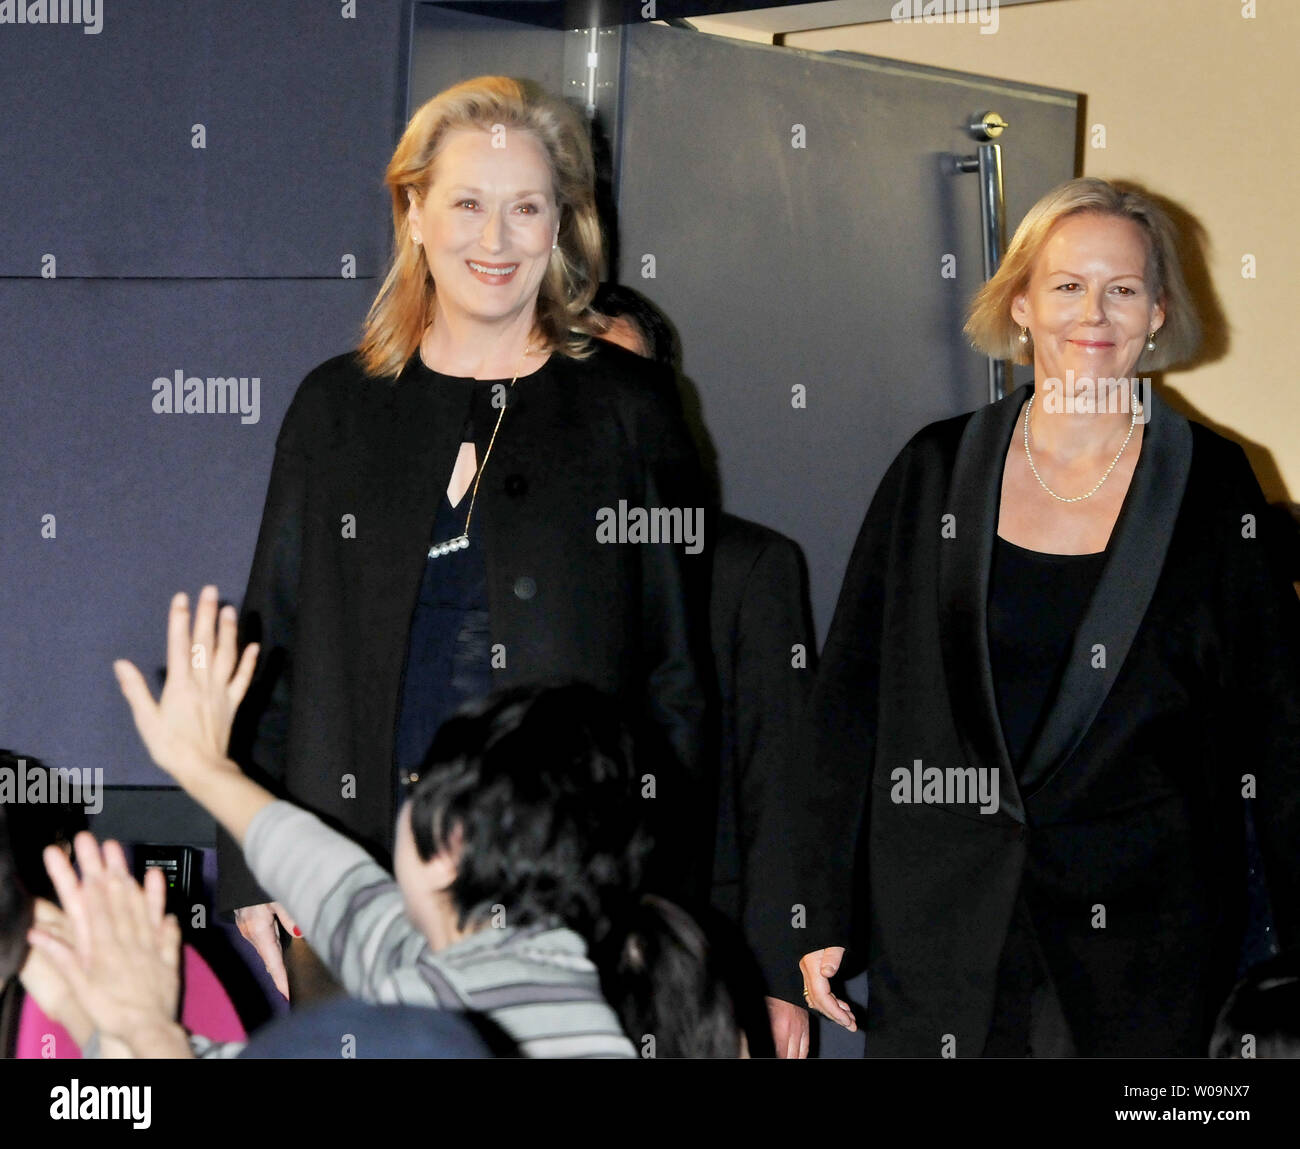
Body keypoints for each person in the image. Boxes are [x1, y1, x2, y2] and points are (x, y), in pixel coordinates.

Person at [770, 177, 1300, 1056]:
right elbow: (848, 700)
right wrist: (814, 906)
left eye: (1123, 288)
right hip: (943, 933)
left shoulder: (1215, 485)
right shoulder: (933, 470)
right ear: (1019, 302)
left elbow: (1280, 730)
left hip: (1148, 944)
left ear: (1160, 311)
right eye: (1066, 286)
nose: (1094, 312)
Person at [222, 76, 712, 1001]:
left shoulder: (629, 411)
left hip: (569, 899)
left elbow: (676, 684)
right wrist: (254, 869)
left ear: (562, 224)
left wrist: (658, 902)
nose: (496, 240)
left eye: (526, 208)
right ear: (413, 211)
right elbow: (272, 647)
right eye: (468, 205)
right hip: (348, 886)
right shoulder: (335, 408)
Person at [593, 283, 818, 1057]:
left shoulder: (749, 568)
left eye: (625, 382)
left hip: (704, 963)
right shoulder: (490, 572)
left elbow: (781, 785)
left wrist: (780, 977)